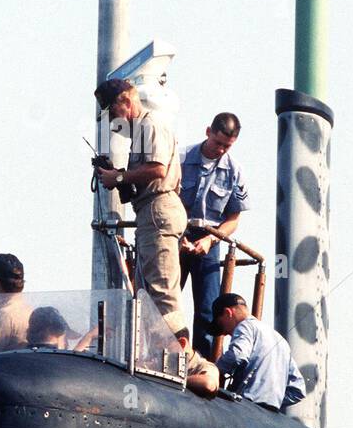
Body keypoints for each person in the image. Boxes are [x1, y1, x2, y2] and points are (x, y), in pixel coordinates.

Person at [93, 78, 187, 335]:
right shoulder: (143, 130)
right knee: (149, 293)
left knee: (162, 294)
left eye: (113, 112)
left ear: (125, 101)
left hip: (158, 209)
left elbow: (157, 169)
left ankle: (180, 358)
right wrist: (119, 176)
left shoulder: (150, 125)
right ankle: (162, 355)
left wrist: (119, 177)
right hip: (152, 211)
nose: (113, 121)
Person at [179, 112, 250, 358]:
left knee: (209, 309)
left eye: (227, 146)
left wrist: (211, 240)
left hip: (210, 240)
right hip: (176, 234)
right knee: (160, 300)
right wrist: (178, 236)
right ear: (208, 131)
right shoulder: (180, 158)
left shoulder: (235, 172)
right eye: (218, 143)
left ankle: (202, 362)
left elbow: (233, 220)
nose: (221, 150)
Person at [207, 293, 306, 412]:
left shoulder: (245, 326)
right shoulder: (281, 340)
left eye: (222, 325)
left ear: (228, 313)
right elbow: (298, 390)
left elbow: (237, 356)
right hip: (269, 415)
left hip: (246, 407)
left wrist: (212, 370)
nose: (226, 333)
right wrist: (272, 400)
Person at [174, 328, 220, 398]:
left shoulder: (205, 366)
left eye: (163, 343)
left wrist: (175, 379)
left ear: (182, 343)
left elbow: (208, 383)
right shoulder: (168, 364)